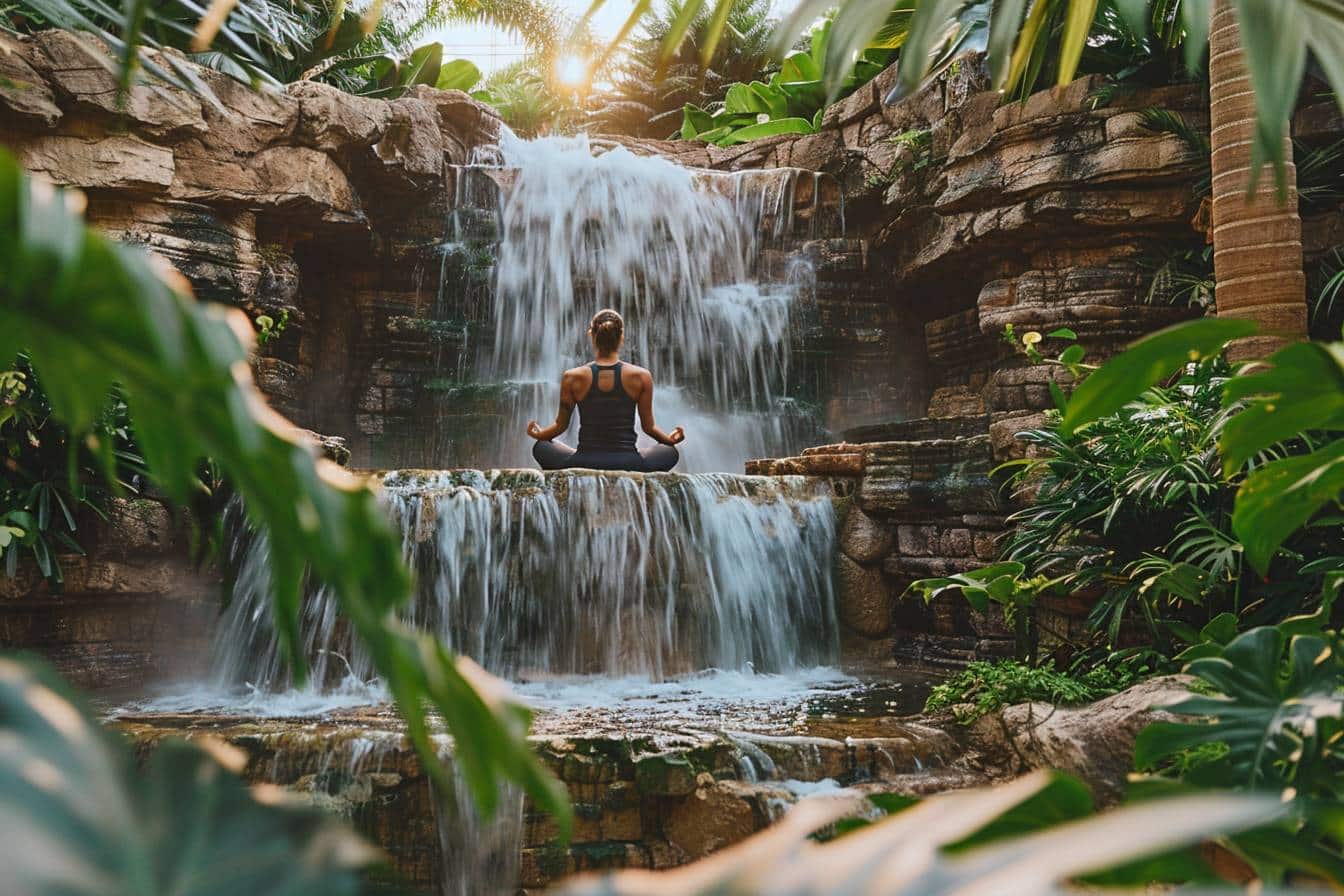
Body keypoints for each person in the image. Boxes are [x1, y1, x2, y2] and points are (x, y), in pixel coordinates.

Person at [527, 309, 685, 472]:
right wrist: (669, 439)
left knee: (542, 447)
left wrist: (539, 435)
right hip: (629, 462)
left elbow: (560, 426)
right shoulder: (641, 376)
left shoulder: (572, 377)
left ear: (592, 335)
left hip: (584, 461)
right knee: (669, 452)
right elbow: (648, 428)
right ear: (621, 337)